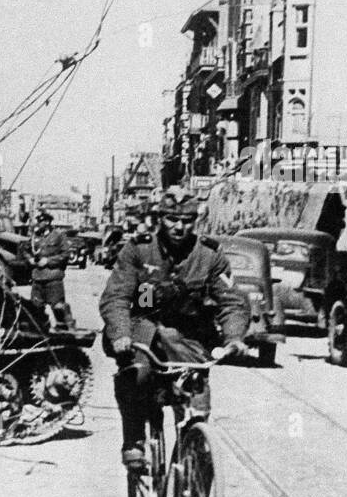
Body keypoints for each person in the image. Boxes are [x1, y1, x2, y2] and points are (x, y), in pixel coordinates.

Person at [99, 186, 250, 471]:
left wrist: (234, 337)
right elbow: (116, 296)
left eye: (187, 220)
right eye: (172, 219)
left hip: (187, 336)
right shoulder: (139, 249)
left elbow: (232, 301)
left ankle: (194, 470)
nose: (179, 227)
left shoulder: (209, 255)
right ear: (159, 218)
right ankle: (134, 440)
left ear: (196, 221)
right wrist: (120, 334)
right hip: (143, 328)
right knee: (134, 374)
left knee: (196, 402)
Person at [30, 211, 72, 330]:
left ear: (48, 222)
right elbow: (26, 249)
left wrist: (48, 261)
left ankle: (67, 332)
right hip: (37, 278)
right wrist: (29, 259)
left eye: (41, 221)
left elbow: (66, 254)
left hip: (53, 278)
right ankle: (41, 331)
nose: (38, 224)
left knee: (59, 308)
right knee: (36, 309)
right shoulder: (35, 236)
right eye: (38, 221)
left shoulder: (58, 235)